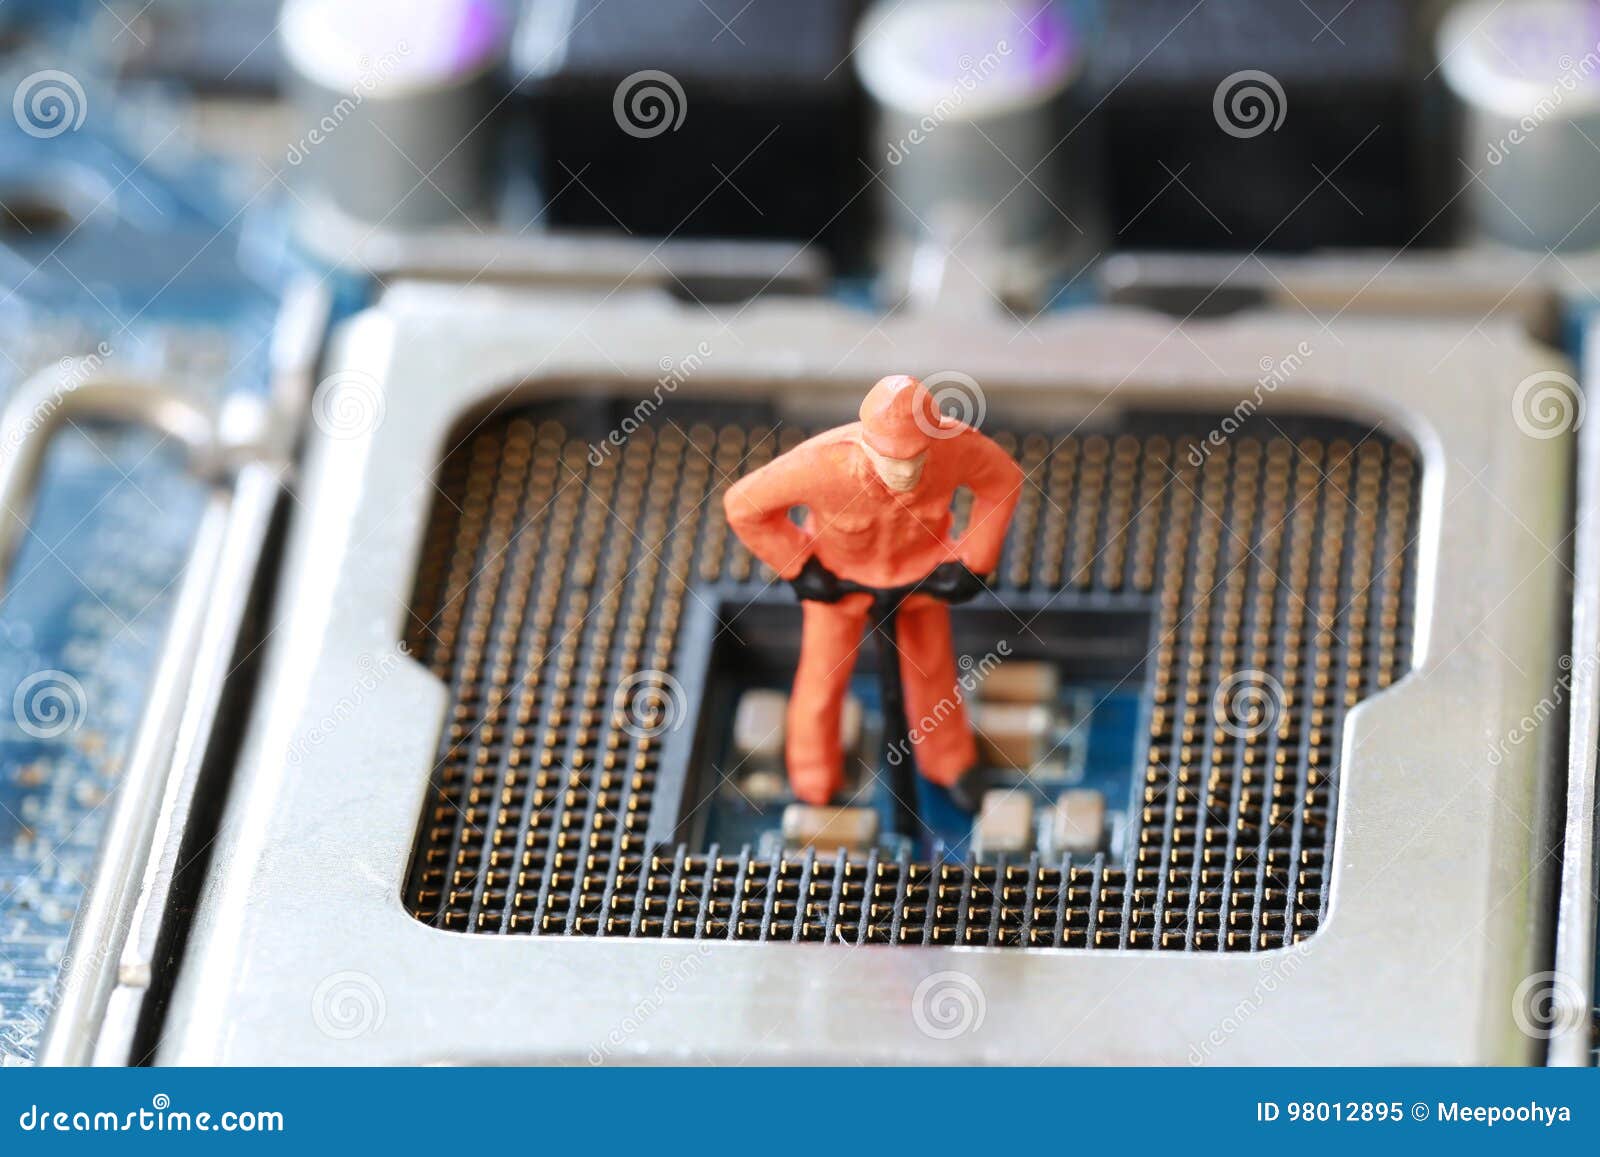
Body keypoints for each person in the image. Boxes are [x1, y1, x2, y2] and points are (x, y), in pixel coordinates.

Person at [723, 374, 1023, 807]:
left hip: (920, 584)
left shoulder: (955, 448)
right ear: (865, 443)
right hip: (841, 588)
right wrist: (800, 566)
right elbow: (743, 504)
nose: (905, 471)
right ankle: (813, 777)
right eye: (891, 459)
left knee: (933, 674)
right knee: (822, 680)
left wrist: (974, 563)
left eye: (916, 458)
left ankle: (949, 763)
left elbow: (1002, 480)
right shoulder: (820, 464)